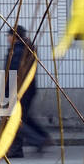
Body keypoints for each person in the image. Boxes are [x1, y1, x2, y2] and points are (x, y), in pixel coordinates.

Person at [5, 25, 51, 157]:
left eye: (9, 35)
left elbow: (13, 74)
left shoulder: (18, 51)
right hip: (27, 91)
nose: (7, 38)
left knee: (15, 120)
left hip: (20, 92)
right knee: (23, 118)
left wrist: (8, 94)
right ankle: (38, 138)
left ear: (15, 37)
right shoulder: (26, 48)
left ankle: (37, 141)